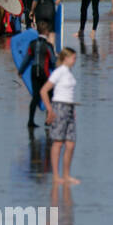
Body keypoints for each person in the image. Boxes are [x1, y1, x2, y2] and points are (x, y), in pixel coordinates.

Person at [40, 49, 80, 183]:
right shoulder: (59, 72)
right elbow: (44, 91)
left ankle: (67, 175)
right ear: (66, 58)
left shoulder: (68, 72)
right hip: (59, 107)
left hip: (69, 108)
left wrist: (73, 110)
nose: (75, 61)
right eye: (73, 58)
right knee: (58, 142)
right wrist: (50, 110)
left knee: (70, 143)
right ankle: (57, 176)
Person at [17, 21, 55, 130]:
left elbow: (27, 58)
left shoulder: (32, 43)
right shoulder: (48, 45)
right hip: (44, 71)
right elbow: (52, 60)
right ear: (47, 32)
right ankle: (48, 121)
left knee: (35, 97)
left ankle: (30, 121)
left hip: (34, 71)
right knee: (49, 95)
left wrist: (21, 71)